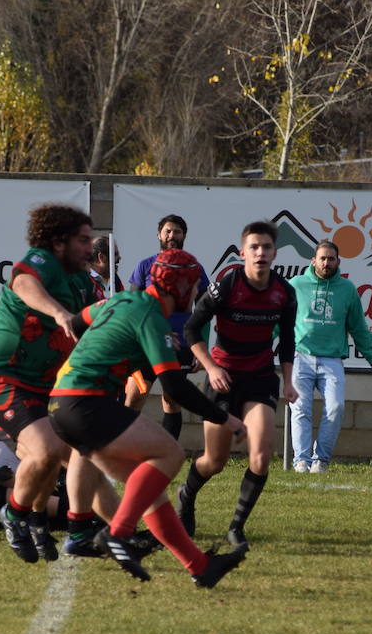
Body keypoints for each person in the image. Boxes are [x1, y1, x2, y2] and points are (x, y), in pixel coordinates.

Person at [49, 248, 250, 587]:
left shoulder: (120, 301)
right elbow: (174, 385)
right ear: (181, 287)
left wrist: (108, 358)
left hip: (63, 402)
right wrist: (224, 418)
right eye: (195, 284)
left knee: (150, 491)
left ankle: (200, 566)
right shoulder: (151, 314)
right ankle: (118, 534)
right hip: (85, 403)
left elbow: (77, 322)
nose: (198, 291)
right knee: (170, 453)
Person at [0, 203, 101, 562]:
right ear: (59, 242)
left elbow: (98, 323)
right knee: (44, 450)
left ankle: (42, 519)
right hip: (0, 375)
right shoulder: (41, 261)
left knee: (71, 453)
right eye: (84, 240)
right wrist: (59, 313)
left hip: (43, 385)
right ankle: (13, 514)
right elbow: (24, 282)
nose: (91, 248)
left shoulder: (85, 282)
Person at [178, 220, 299, 550]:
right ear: (243, 252)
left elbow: (287, 341)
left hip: (260, 378)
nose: (261, 253)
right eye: (255, 248)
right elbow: (191, 329)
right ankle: (186, 498)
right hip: (224, 378)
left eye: (267, 248)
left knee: (260, 457)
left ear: (275, 253)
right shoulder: (228, 283)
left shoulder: (284, 292)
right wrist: (212, 367)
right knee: (213, 463)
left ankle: (236, 527)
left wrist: (288, 382)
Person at [289, 240, 372, 473]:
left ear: (338, 262)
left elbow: (358, 327)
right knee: (300, 409)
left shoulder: (347, 289)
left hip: (332, 359)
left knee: (335, 408)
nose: (326, 263)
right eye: (322, 258)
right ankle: (301, 461)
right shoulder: (296, 285)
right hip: (301, 357)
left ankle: (320, 461)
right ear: (313, 261)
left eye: (331, 259)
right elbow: (281, 320)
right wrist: (264, 344)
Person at [125, 215, 209, 440]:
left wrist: (201, 348)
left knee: (172, 399)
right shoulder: (144, 265)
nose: (172, 236)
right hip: (145, 344)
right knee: (134, 396)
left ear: (184, 236)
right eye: (168, 231)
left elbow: (205, 311)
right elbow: (132, 306)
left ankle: (167, 455)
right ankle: (122, 454)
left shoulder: (194, 268)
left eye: (177, 232)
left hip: (178, 344)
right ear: (159, 235)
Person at [89, 234, 123, 299]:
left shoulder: (115, 279)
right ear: (101, 257)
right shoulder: (86, 280)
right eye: (115, 254)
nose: (119, 258)